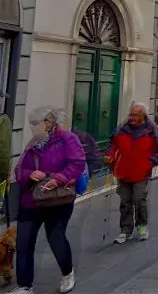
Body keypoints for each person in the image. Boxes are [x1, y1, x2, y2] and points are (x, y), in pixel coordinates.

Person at [14, 107, 85, 294]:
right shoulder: (32, 144)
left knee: (56, 237)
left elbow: (77, 163)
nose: (31, 127)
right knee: (24, 241)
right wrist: (31, 174)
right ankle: (25, 285)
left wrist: (58, 179)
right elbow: (19, 171)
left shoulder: (68, 139)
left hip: (57, 200)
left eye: (35, 123)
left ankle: (67, 273)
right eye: (30, 123)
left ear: (48, 123)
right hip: (32, 199)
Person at [106, 102, 158, 244]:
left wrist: (149, 164)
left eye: (135, 115)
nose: (131, 117)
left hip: (141, 172)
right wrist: (110, 155)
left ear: (143, 115)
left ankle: (142, 225)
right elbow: (113, 144)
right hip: (123, 171)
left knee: (139, 199)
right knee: (125, 202)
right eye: (130, 114)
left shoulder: (150, 130)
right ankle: (125, 230)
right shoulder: (122, 129)